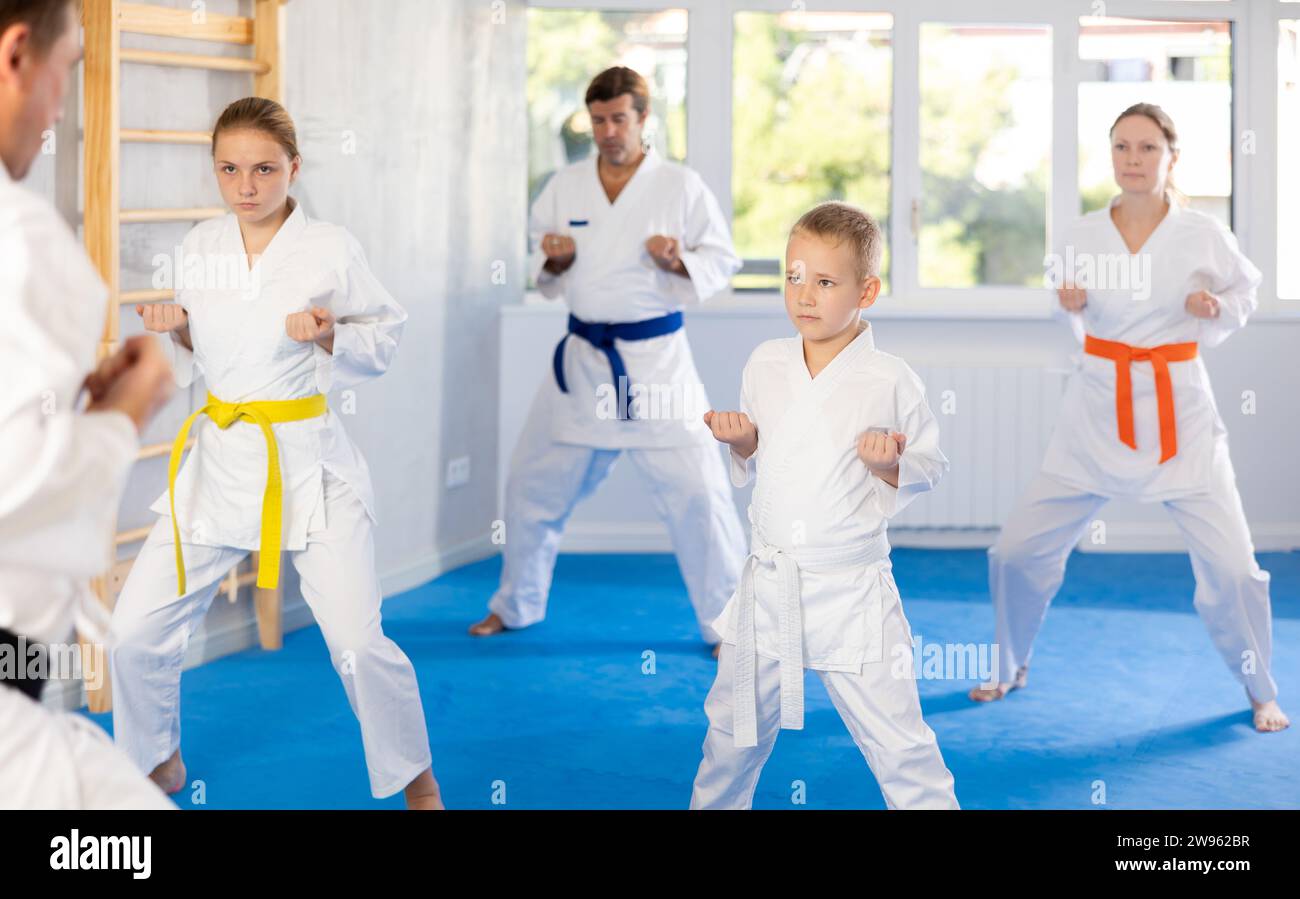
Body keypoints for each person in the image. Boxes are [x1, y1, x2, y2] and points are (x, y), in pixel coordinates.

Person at [109, 97, 445, 807]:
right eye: (230, 169)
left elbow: (385, 332)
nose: (247, 186)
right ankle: (158, 759)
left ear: (294, 168)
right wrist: (178, 327)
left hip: (307, 463)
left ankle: (418, 782)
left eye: (264, 168)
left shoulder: (329, 247)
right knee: (132, 631)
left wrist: (328, 332)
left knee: (357, 641)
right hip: (219, 460)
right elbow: (214, 353)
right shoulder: (199, 247)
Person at [969, 103, 1288, 734]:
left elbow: (1243, 295)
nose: (1133, 160)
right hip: (1096, 407)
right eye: (1122, 148)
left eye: (1147, 148)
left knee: (1233, 569)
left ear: (1172, 157)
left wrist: (1213, 305)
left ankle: (1260, 690)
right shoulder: (1082, 233)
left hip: (1181, 415)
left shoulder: (1202, 234)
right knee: (1014, 551)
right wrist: (1071, 307)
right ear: (1111, 155)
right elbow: (1070, 314)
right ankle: (1012, 662)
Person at [690, 202, 959, 809]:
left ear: (867, 290)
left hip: (850, 588)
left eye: (825, 282)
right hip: (769, 584)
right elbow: (769, 450)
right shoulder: (766, 361)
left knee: (901, 747)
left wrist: (888, 462)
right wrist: (741, 439)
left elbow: (930, 463)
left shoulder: (890, 379)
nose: (804, 296)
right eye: (793, 276)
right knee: (728, 741)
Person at [470, 66, 746, 653]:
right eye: (598, 120)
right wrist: (556, 259)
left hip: (656, 362)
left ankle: (729, 625)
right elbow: (536, 263)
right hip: (584, 361)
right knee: (529, 485)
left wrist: (677, 261)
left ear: (644, 119)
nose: (608, 131)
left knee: (700, 494)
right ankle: (516, 604)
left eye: (619, 118)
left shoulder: (680, 186)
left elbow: (721, 262)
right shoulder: (564, 186)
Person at [0, 0, 175, 809]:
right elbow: (16, 478)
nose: (60, 109)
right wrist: (125, 412)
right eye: (66, 69)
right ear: (15, 57)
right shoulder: (21, 240)